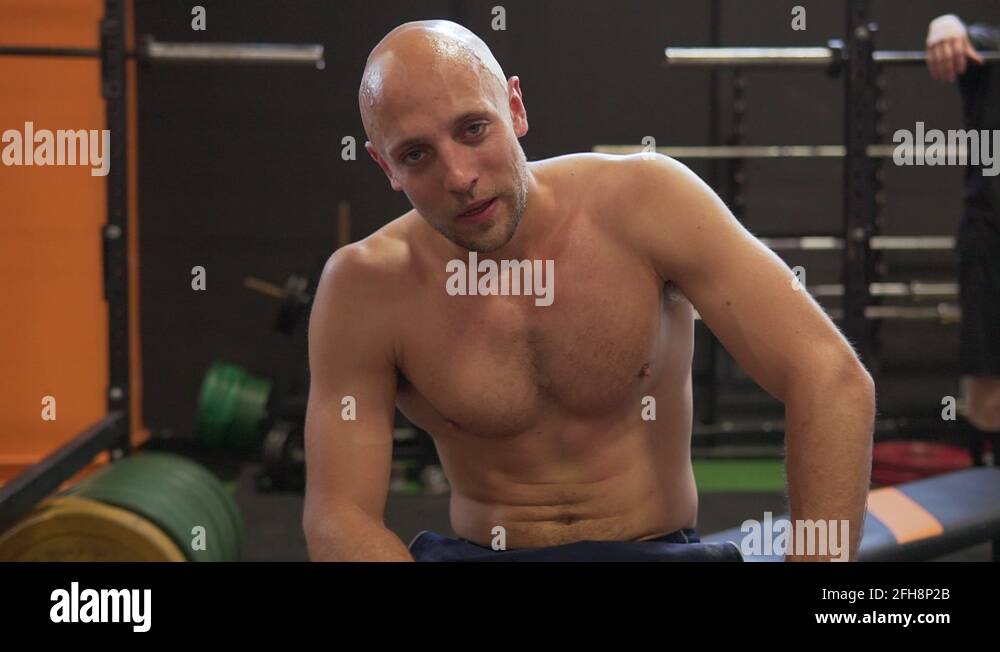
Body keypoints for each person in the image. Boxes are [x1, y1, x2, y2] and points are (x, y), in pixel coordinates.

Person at [302, 20, 875, 562]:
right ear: (385, 167)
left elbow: (828, 376)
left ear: (516, 108)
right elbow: (338, 513)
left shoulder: (648, 201)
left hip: (656, 549)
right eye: (416, 155)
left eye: (473, 128)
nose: (458, 176)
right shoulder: (364, 285)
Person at [925, 15, 1000, 458]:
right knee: (988, 400)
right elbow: (959, 33)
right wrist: (944, 25)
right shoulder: (989, 51)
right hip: (991, 241)